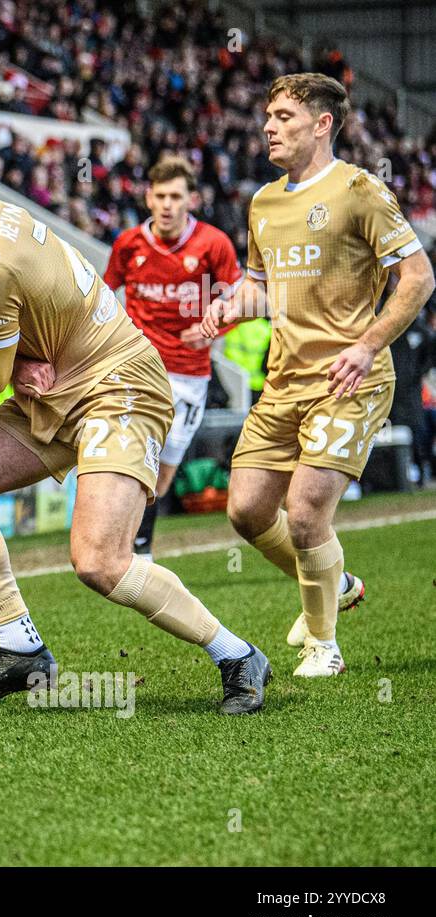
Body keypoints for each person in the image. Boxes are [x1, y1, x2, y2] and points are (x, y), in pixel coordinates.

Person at [0, 133, 272, 715]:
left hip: (119, 387)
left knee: (100, 562)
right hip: (60, 387)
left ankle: (238, 656)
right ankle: (22, 649)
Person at [200, 73, 435, 677]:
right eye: (268, 117)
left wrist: (367, 344)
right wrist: (229, 307)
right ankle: (338, 580)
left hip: (349, 379)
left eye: (283, 117)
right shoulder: (264, 202)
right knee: (248, 512)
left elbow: (418, 278)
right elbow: (260, 287)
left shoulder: (361, 190)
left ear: (322, 123)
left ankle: (323, 645)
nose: (268, 127)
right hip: (283, 381)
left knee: (305, 514)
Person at [102, 156, 242, 558]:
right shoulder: (128, 244)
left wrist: (213, 328)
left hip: (189, 374)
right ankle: (133, 551)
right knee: (131, 455)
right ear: (148, 197)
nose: (167, 204)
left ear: (192, 199)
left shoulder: (213, 244)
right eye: (160, 195)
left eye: (176, 196)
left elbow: (240, 302)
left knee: (163, 471)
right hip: (137, 366)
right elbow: (102, 295)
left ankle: (140, 540)